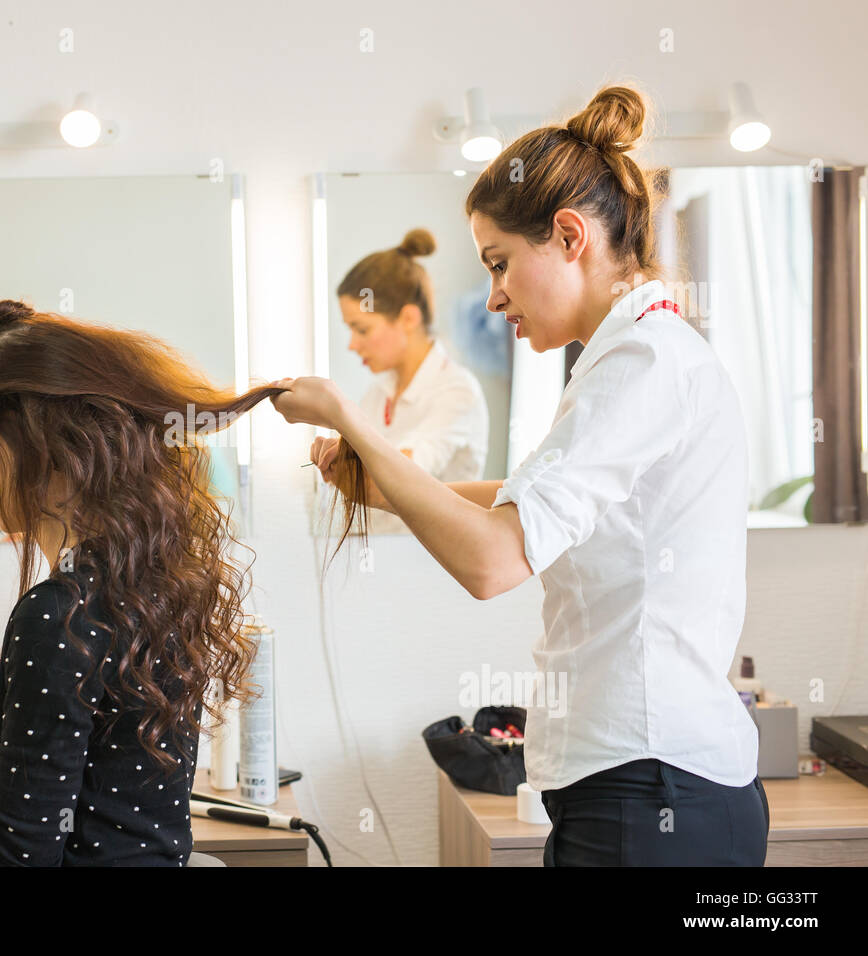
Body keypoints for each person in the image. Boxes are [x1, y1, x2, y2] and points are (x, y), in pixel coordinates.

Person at [270, 84, 768, 865]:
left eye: (501, 264)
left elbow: (493, 559)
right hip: (632, 782)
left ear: (570, 236)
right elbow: (513, 502)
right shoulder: (626, 357)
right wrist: (377, 476)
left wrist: (351, 420)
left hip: (654, 790)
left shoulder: (642, 361)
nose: (495, 295)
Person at [0, 298, 275, 866]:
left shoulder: (57, 610)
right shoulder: (147, 578)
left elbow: (11, 860)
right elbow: (97, 763)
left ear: (30, 446)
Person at [335, 228, 490, 534]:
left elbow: (402, 479)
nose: (352, 344)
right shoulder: (378, 393)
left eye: (362, 329)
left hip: (428, 572)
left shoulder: (457, 392)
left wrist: (334, 414)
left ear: (408, 318)